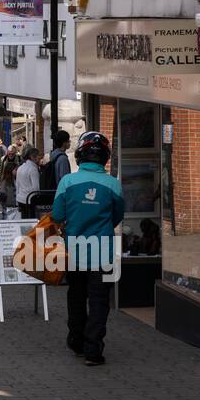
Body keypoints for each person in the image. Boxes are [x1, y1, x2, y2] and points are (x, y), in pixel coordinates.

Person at [51, 132, 125, 366]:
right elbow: (117, 216)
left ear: (80, 154)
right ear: (104, 157)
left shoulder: (67, 182)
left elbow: (58, 215)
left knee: (76, 295)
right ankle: (93, 349)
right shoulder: (113, 184)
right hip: (102, 250)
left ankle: (77, 341)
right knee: (99, 300)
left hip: (74, 249)